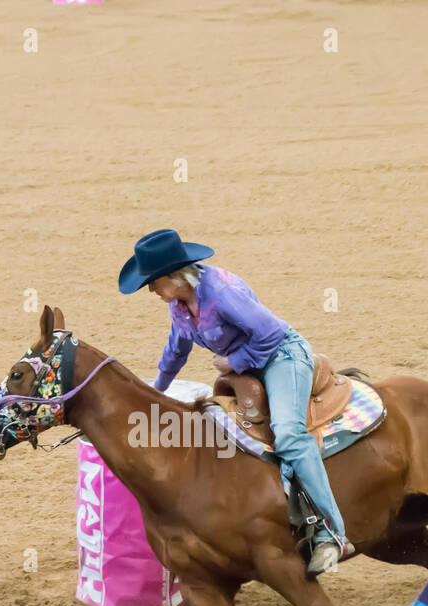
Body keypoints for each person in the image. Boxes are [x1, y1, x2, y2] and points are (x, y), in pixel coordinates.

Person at [118, 228, 350, 574]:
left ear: (172, 276)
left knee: (288, 434)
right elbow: (175, 350)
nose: (150, 289)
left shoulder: (221, 293)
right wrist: (156, 391)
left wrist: (233, 362)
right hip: (249, 366)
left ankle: (333, 533)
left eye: (152, 282)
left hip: (282, 357)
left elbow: (270, 334)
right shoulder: (181, 306)